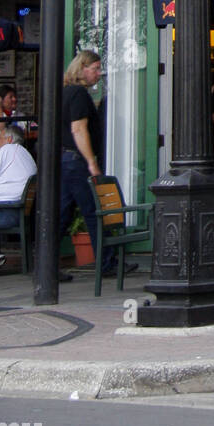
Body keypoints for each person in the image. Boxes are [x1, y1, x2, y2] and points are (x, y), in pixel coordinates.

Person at [59, 49, 134, 278]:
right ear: (82, 69)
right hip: (77, 161)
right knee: (94, 211)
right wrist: (91, 162)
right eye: (96, 69)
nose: (99, 74)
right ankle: (106, 263)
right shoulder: (79, 95)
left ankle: (47, 264)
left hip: (63, 159)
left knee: (63, 212)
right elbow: (79, 129)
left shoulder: (65, 93)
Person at [0, 122, 36, 268]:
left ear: (8, 139)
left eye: (0, 138)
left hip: (8, 212)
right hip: (18, 211)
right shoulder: (25, 155)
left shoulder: (8, 149)